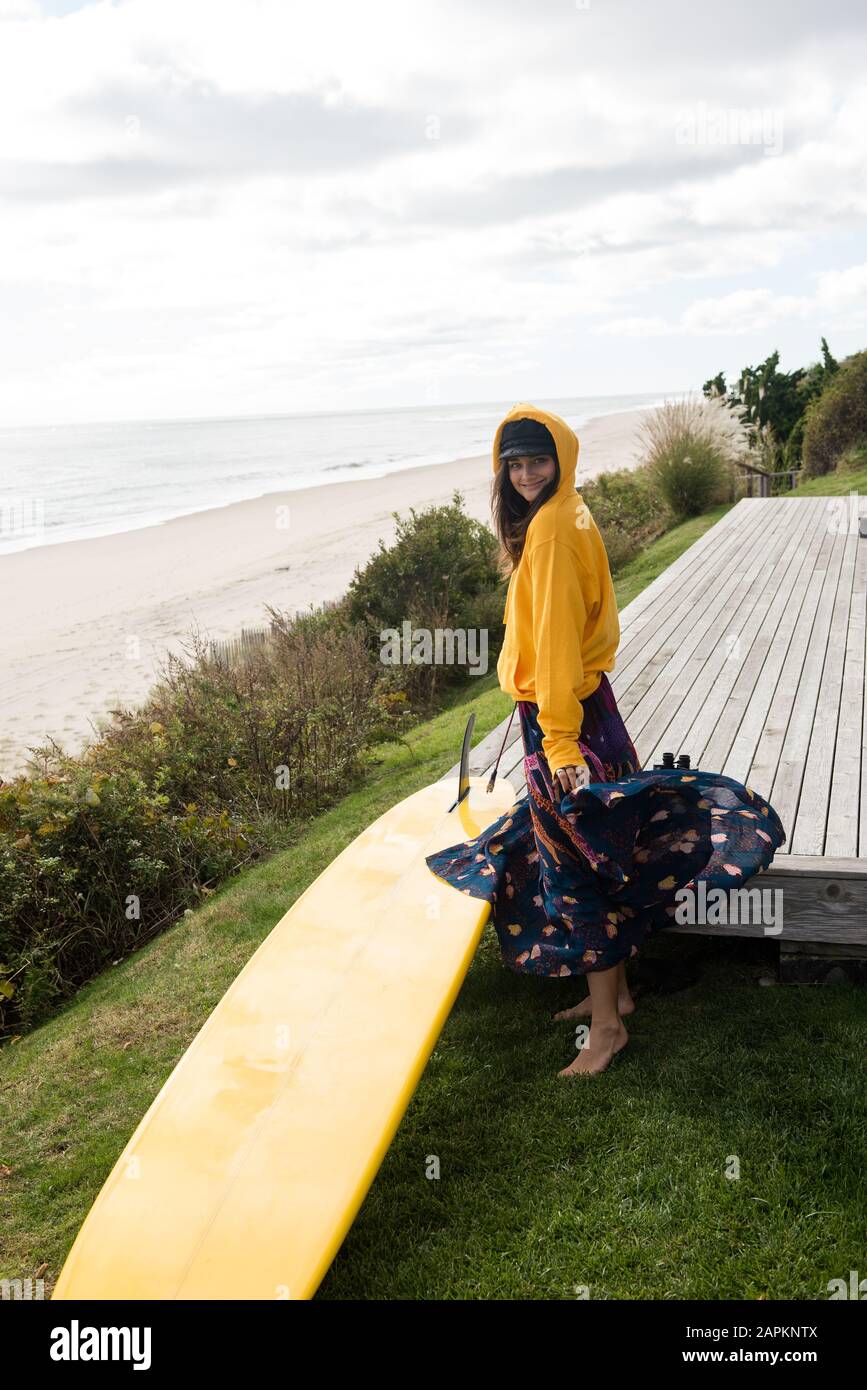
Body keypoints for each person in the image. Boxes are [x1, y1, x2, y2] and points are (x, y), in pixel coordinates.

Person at [426, 402, 786, 1078]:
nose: (526, 472)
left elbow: (558, 644)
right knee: (605, 847)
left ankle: (608, 1029)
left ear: (559, 458)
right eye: (515, 462)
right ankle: (613, 992)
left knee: (577, 865)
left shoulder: (555, 531)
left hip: (566, 719)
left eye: (537, 459)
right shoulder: (567, 510)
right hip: (587, 708)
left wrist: (559, 743)